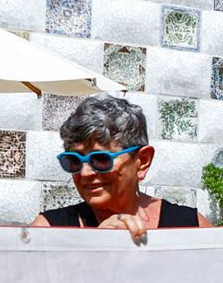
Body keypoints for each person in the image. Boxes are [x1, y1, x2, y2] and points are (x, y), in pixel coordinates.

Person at [33, 96, 208, 238]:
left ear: (143, 161)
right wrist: (90, 249)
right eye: (74, 160)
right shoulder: (48, 230)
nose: (85, 173)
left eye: (100, 159)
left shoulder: (190, 226)